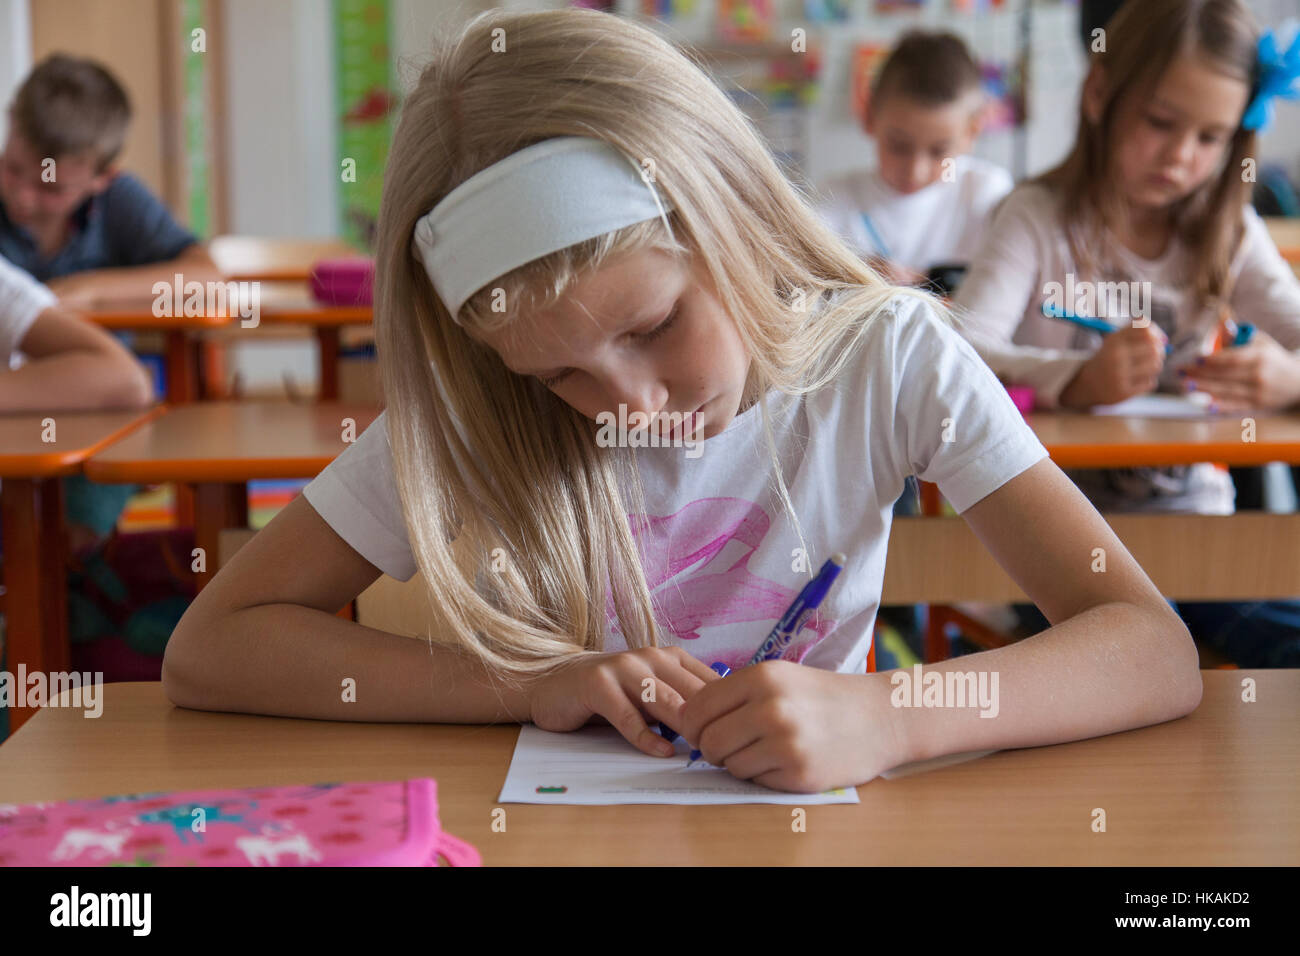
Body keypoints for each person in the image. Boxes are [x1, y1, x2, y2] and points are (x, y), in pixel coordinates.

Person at [165, 8, 1201, 794]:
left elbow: (1149, 647)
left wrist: (889, 714)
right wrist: (529, 682)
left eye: (653, 327)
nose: (631, 402)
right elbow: (212, 647)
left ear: (733, 221)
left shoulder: (889, 355)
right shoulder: (478, 406)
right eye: (556, 375)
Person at [953, 0, 1300, 666]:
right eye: (1160, 122)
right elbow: (956, 359)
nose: (1180, 155)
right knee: (1140, 659)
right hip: (1054, 544)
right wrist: (1076, 381)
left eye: (1210, 137)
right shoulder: (1035, 219)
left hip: (1200, 538)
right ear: (1099, 94)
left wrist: (1287, 375)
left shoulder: (1229, 232)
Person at [814, 30, 1013, 288]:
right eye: (899, 147)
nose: (915, 171)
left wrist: (923, 280)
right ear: (869, 118)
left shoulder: (987, 194)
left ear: (972, 133)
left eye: (939, 150)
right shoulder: (832, 200)